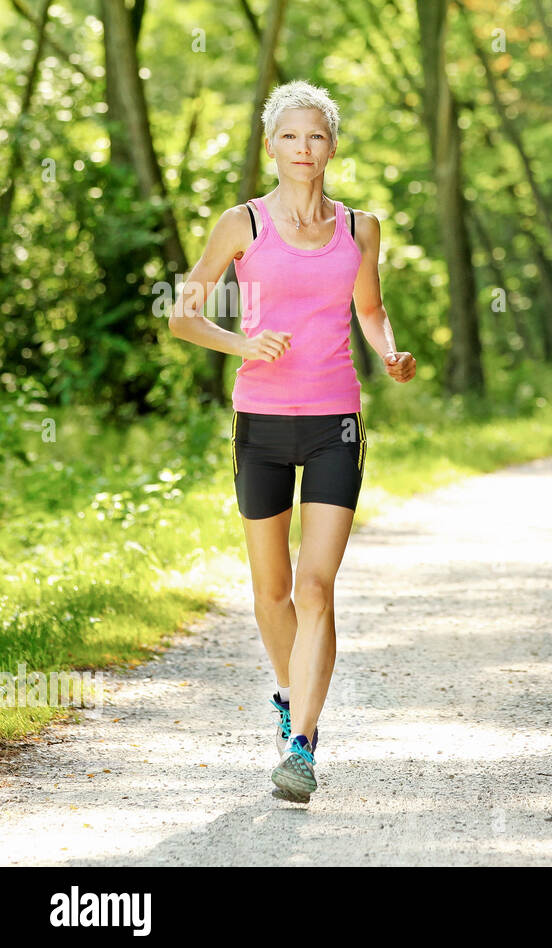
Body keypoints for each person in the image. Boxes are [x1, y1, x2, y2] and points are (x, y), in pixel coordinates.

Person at [168, 80, 416, 802]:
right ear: (271, 146)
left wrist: (391, 351)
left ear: (331, 146)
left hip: (336, 420)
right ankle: (288, 694)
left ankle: (301, 746)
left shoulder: (360, 228)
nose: (303, 149)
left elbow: (371, 311)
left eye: (316, 137)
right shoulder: (241, 224)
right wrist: (243, 344)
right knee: (272, 593)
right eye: (289, 137)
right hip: (262, 425)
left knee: (315, 587)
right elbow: (185, 315)